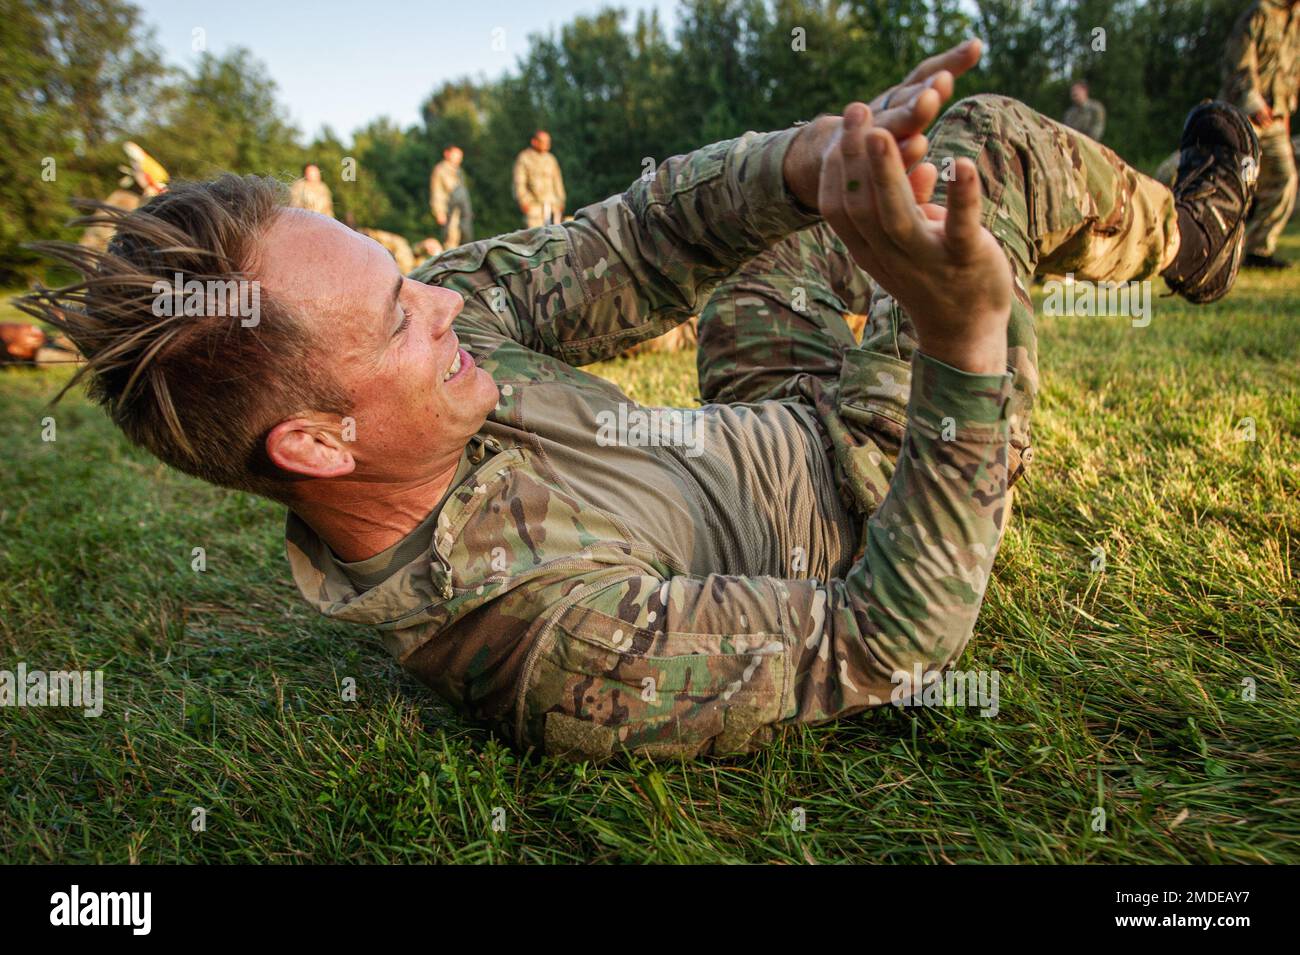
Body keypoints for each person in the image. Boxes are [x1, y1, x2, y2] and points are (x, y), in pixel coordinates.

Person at [19, 40, 1259, 760]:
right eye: (402, 315)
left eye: (409, 281)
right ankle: (1197, 239)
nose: (444, 304)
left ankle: (1143, 230)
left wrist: (804, 165)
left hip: (770, 419)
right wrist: (961, 333)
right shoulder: (550, 649)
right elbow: (888, 642)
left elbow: (636, 241)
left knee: (845, 202)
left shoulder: (415, 356)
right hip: (871, 496)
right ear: (314, 441)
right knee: (982, 162)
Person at [1219, 0, 1300, 269]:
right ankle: (1214, 245)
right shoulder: (1258, 15)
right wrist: (1252, 102)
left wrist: (1285, 116)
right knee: (1234, 182)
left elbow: (1291, 75)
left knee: (1284, 179)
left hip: (1276, 120)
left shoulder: (1296, 22)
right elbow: (1238, 63)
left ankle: (1258, 250)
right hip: (1244, 117)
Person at [512, 130, 565, 228]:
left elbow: (557, 182)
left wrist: (561, 201)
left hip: (552, 207)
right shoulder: (525, 158)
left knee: (555, 238)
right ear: (534, 142)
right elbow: (519, 182)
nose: (547, 144)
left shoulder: (551, 159)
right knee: (536, 238)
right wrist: (524, 202)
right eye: (543, 141)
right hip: (534, 207)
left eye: (548, 142)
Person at [430, 146, 474, 248]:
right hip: (450, 211)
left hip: (461, 212)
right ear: (447, 154)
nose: (459, 158)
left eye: (460, 156)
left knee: (465, 240)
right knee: (451, 241)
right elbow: (437, 192)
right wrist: (439, 211)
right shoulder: (441, 170)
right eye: (456, 155)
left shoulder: (458, 171)